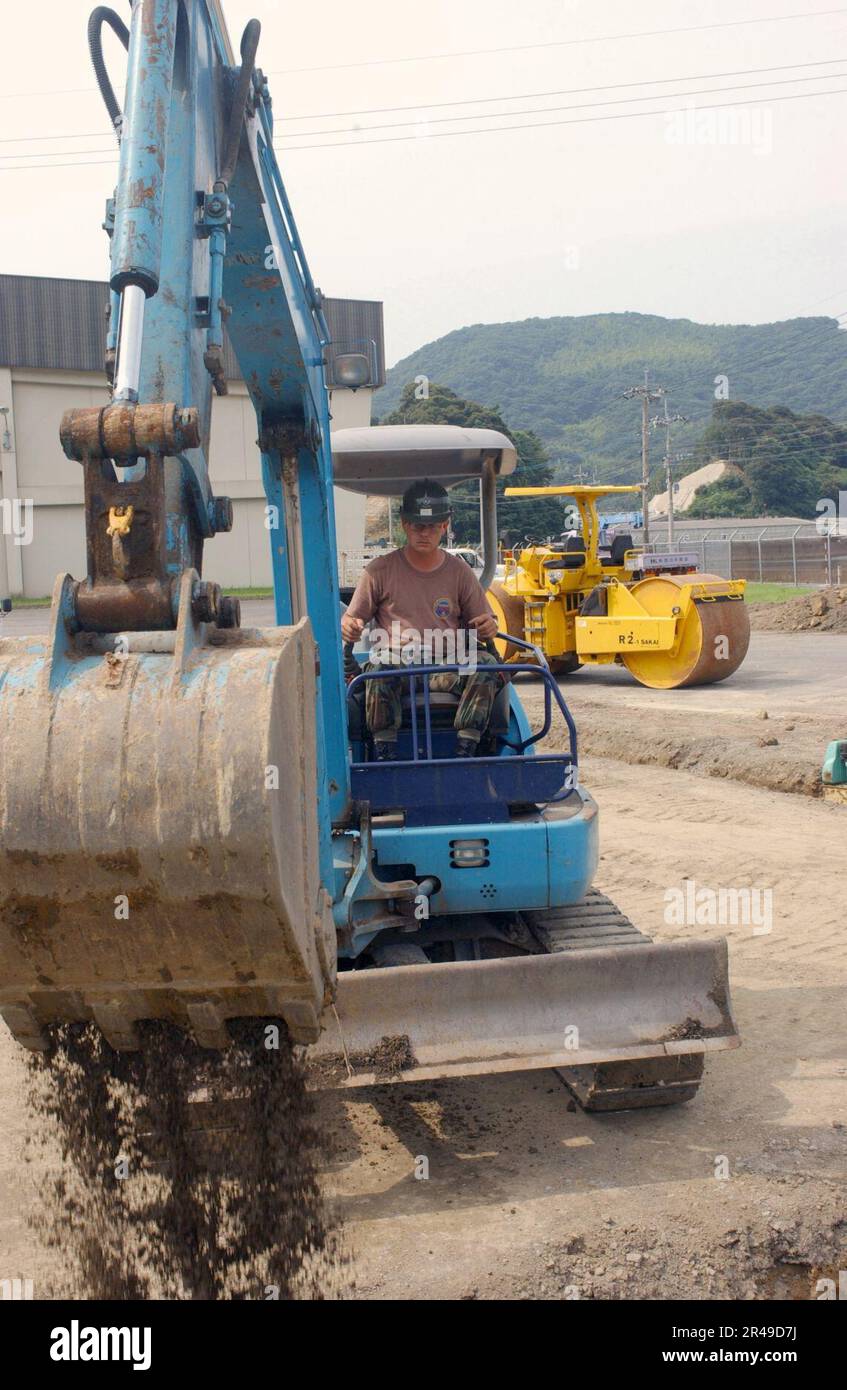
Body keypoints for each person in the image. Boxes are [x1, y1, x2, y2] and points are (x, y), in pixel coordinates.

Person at [341, 479, 503, 761]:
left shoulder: (459, 572)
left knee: (486, 663)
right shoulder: (379, 571)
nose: (424, 533)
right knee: (381, 665)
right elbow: (352, 619)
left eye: (432, 526)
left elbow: (484, 618)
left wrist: (489, 625)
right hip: (399, 666)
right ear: (405, 524)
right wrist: (350, 626)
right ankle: (385, 750)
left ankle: (467, 747)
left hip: (446, 665)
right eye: (418, 526)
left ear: (445, 525)